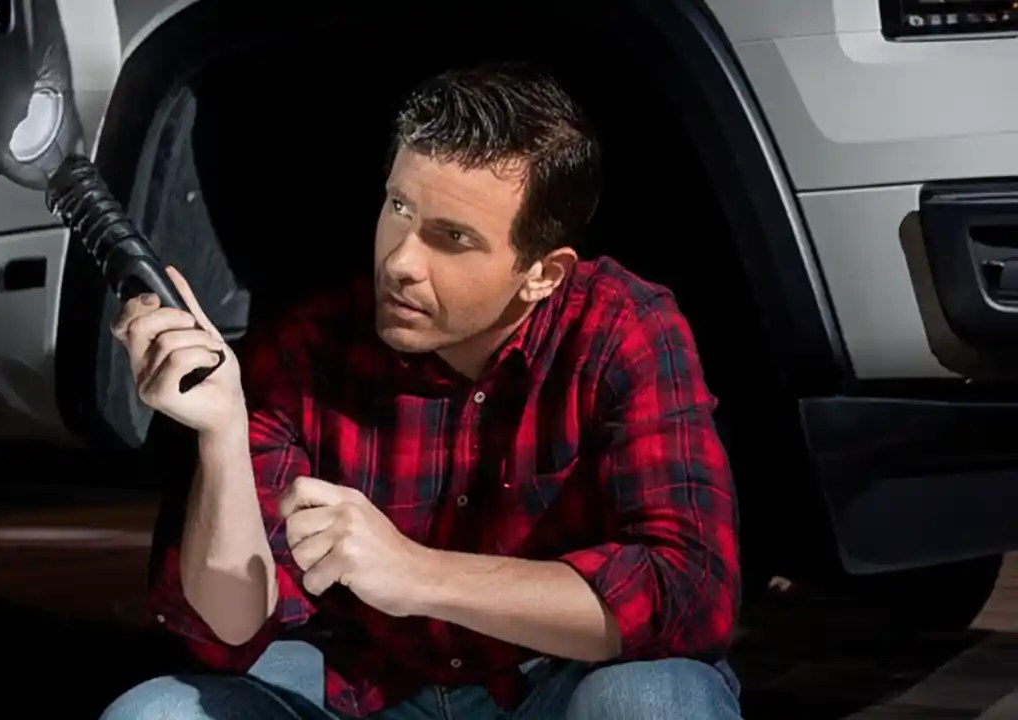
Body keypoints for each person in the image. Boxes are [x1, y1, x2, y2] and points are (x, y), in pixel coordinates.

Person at [104, 62, 743, 720]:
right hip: (358, 685)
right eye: (399, 208)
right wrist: (222, 435)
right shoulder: (308, 347)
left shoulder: (620, 329)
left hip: (548, 679)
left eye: (454, 238)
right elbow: (230, 627)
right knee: (156, 714)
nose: (400, 262)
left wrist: (416, 573)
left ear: (543, 275)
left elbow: (690, 596)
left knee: (656, 700)